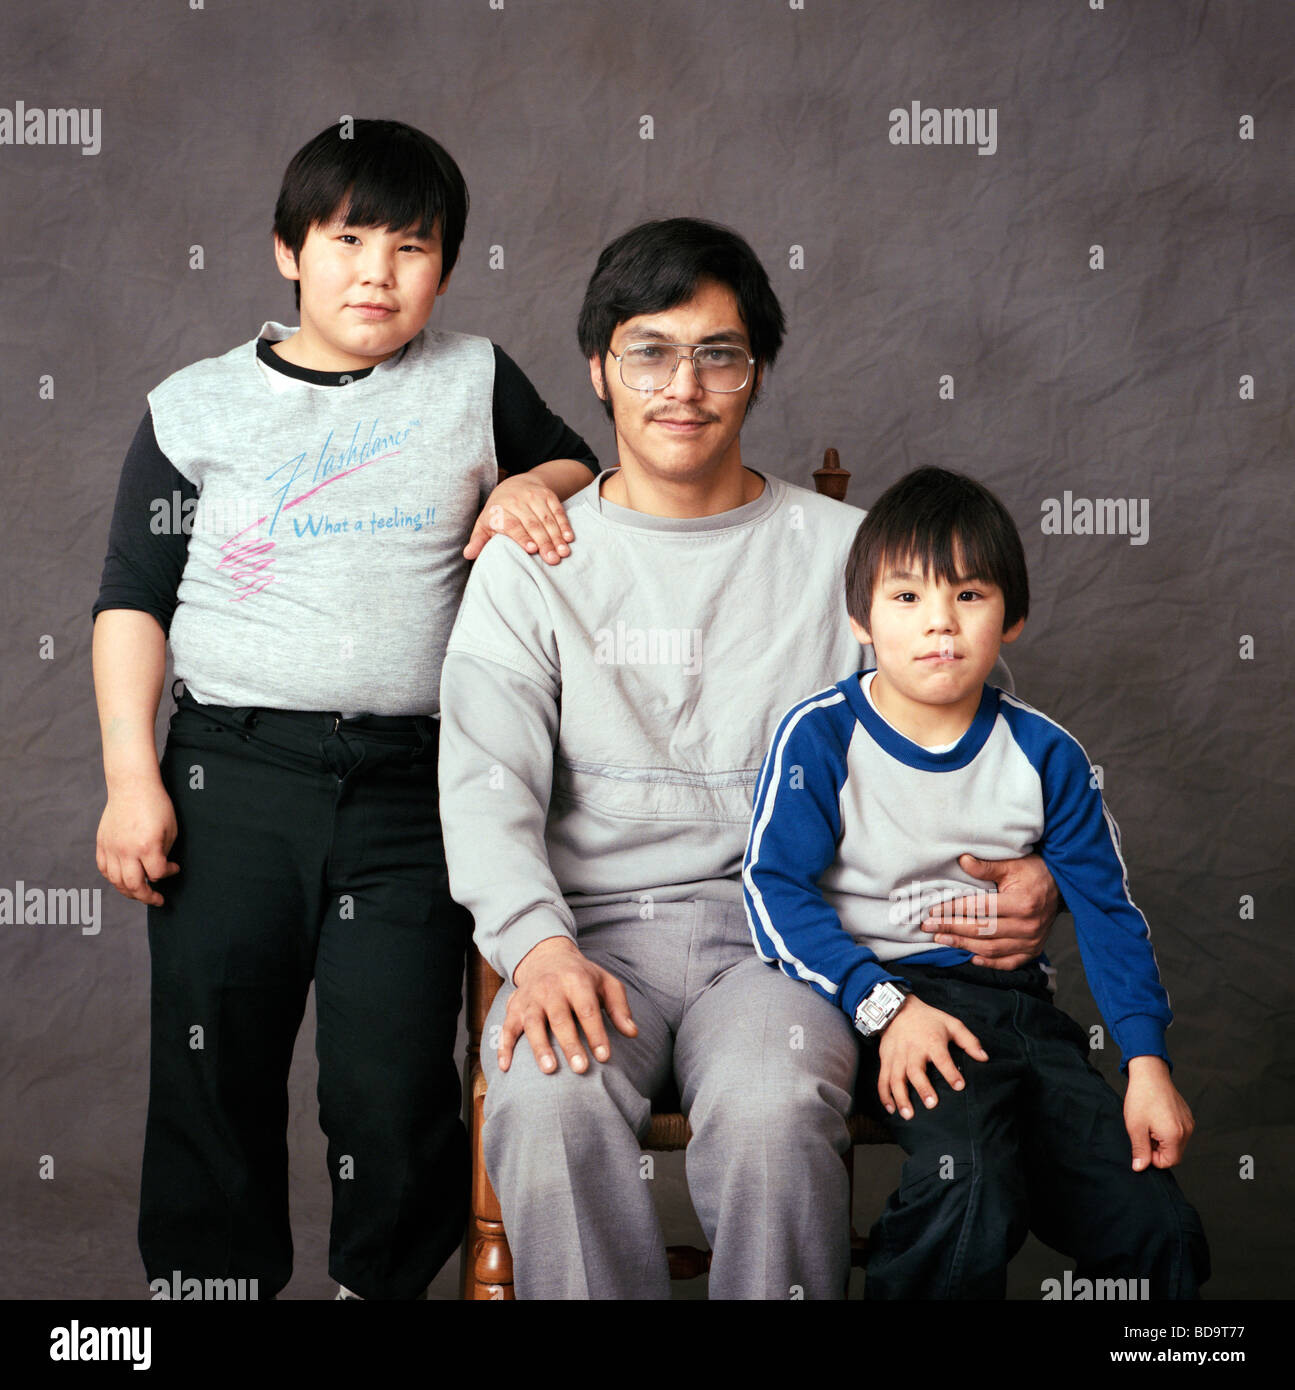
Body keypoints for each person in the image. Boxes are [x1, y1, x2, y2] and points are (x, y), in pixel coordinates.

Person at [437, 218, 1062, 1299]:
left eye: (717, 353)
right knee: (540, 1100)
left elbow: (982, 740)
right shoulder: (533, 564)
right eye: (647, 351)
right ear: (597, 367)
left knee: (774, 1107)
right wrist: (534, 947)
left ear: (755, 372)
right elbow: (485, 782)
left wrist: (1037, 871)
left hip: (782, 938)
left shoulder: (845, 552)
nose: (681, 385)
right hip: (585, 936)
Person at [91, 118, 600, 1301]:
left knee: (393, 1075)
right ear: (287, 250)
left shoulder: (472, 378)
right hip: (231, 774)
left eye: (412, 247)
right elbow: (131, 603)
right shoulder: (194, 406)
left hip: (413, 788)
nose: (378, 272)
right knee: (214, 1066)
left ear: (446, 268)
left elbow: (582, 462)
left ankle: (379, 1288)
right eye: (347, 237)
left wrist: (531, 476)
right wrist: (131, 778)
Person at [743, 465, 1210, 1298]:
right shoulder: (821, 736)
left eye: (968, 596)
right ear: (860, 618)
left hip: (1020, 1006)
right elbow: (773, 891)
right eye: (907, 598)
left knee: (1156, 1225)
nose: (939, 626)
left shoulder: (1045, 753)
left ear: (1013, 617)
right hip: (887, 999)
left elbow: (1107, 912)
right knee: (970, 1189)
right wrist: (882, 1008)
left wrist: (1145, 1062)